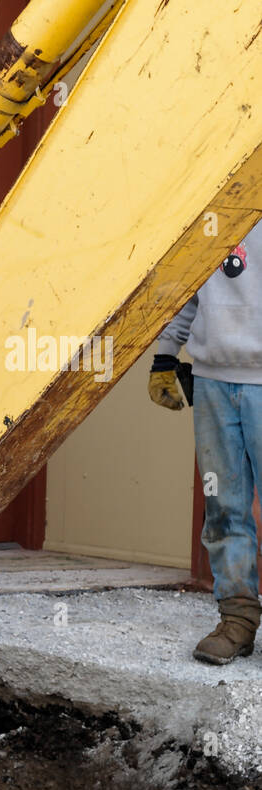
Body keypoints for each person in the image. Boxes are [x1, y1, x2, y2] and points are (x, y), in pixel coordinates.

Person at [150, 221, 262, 665]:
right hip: (213, 380)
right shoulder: (213, 212)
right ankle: (237, 620)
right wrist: (165, 354)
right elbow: (189, 289)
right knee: (223, 505)